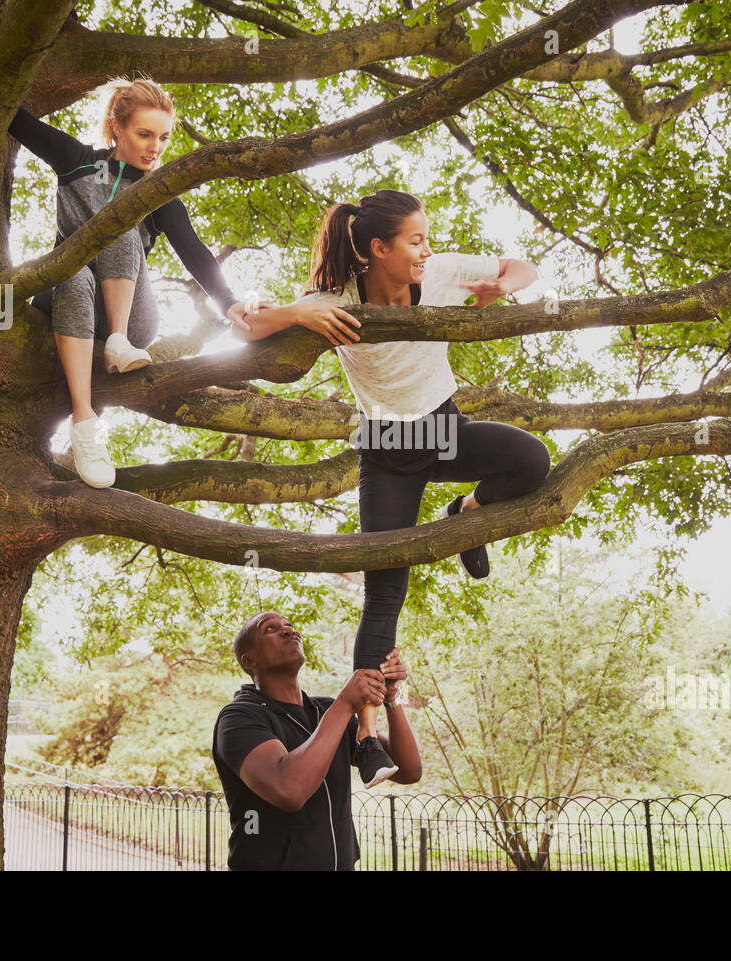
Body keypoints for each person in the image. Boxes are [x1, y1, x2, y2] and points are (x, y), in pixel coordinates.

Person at [235, 190, 552, 788]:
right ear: (378, 248)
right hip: (385, 453)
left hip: (444, 430)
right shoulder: (338, 302)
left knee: (532, 458)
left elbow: (521, 265)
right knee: (385, 595)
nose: (426, 251)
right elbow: (251, 323)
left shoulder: (441, 272)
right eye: (414, 241)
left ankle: (468, 509)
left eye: (427, 239)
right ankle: (364, 740)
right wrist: (298, 314)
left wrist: (504, 285)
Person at [0, 2, 260, 487]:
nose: (156, 147)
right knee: (75, 269)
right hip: (69, 294)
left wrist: (230, 303)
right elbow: (12, 116)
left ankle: (120, 342)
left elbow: (194, 251)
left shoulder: (159, 190)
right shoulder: (74, 159)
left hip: (132, 322)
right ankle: (86, 425)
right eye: (145, 134)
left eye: (164, 138)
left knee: (128, 215)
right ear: (117, 129)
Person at [212, 611, 421, 870]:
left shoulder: (325, 712)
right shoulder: (239, 718)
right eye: (270, 629)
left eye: (289, 625)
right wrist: (345, 703)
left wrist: (390, 697)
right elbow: (289, 790)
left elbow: (409, 770)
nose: (289, 630)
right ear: (249, 659)